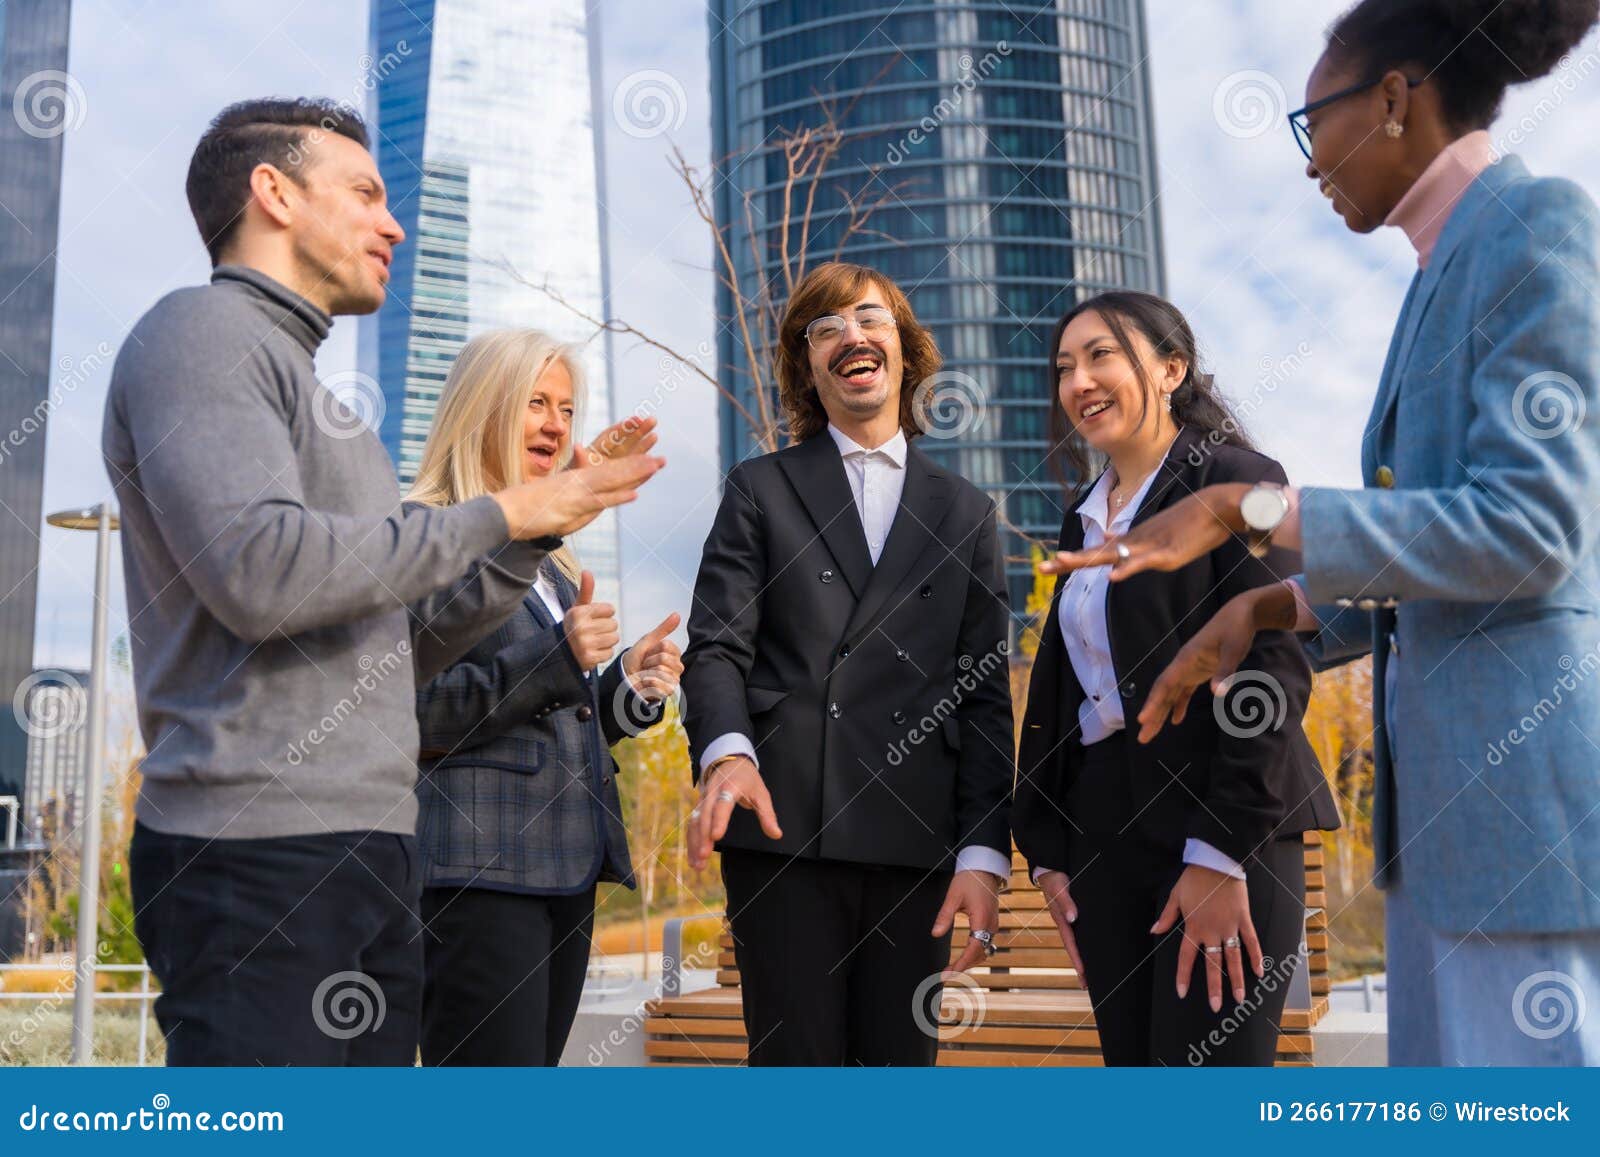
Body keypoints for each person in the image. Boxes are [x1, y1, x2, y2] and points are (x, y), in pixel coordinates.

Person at [1048, 0, 1600, 1065]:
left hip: (1519, 820)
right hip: (1439, 831)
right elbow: (1439, 557)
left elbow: (1533, 530)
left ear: (1393, 99)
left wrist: (1247, 514)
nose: (1310, 163)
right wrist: (1278, 605)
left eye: (1316, 122)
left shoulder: (1533, 226)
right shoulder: (1436, 273)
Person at [104, 99, 661, 1066]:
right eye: (364, 193)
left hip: (371, 850)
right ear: (274, 193)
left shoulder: (338, 421)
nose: (393, 224)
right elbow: (260, 571)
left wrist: (539, 530)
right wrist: (511, 514)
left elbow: (396, 653)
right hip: (255, 851)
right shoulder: (198, 332)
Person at [680, 261, 1014, 1066]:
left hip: (916, 843)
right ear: (808, 367)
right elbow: (716, 646)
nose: (850, 337)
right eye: (824, 329)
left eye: (869, 319)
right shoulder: (759, 488)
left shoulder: (968, 513)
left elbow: (984, 698)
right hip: (784, 833)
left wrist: (983, 854)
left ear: (905, 348)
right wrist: (727, 753)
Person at [1011, 292, 1339, 1066]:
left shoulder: (1240, 480)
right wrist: (1049, 850)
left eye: (1102, 355)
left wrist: (1220, 852)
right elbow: (1066, 692)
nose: (1078, 381)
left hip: (1223, 820)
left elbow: (1272, 667)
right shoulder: (1081, 516)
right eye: (1064, 367)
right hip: (1104, 836)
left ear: (1170, 369)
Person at [407, 330, 682, 1065]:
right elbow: (413, 712)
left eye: (565, 408)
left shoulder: (552, 562)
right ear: (482, 408)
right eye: (535, 402)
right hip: (478, 874)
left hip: (565, 870)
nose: (556, 425)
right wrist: (558, 656)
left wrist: (626, 685)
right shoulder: (426, 535)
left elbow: (559, 717)